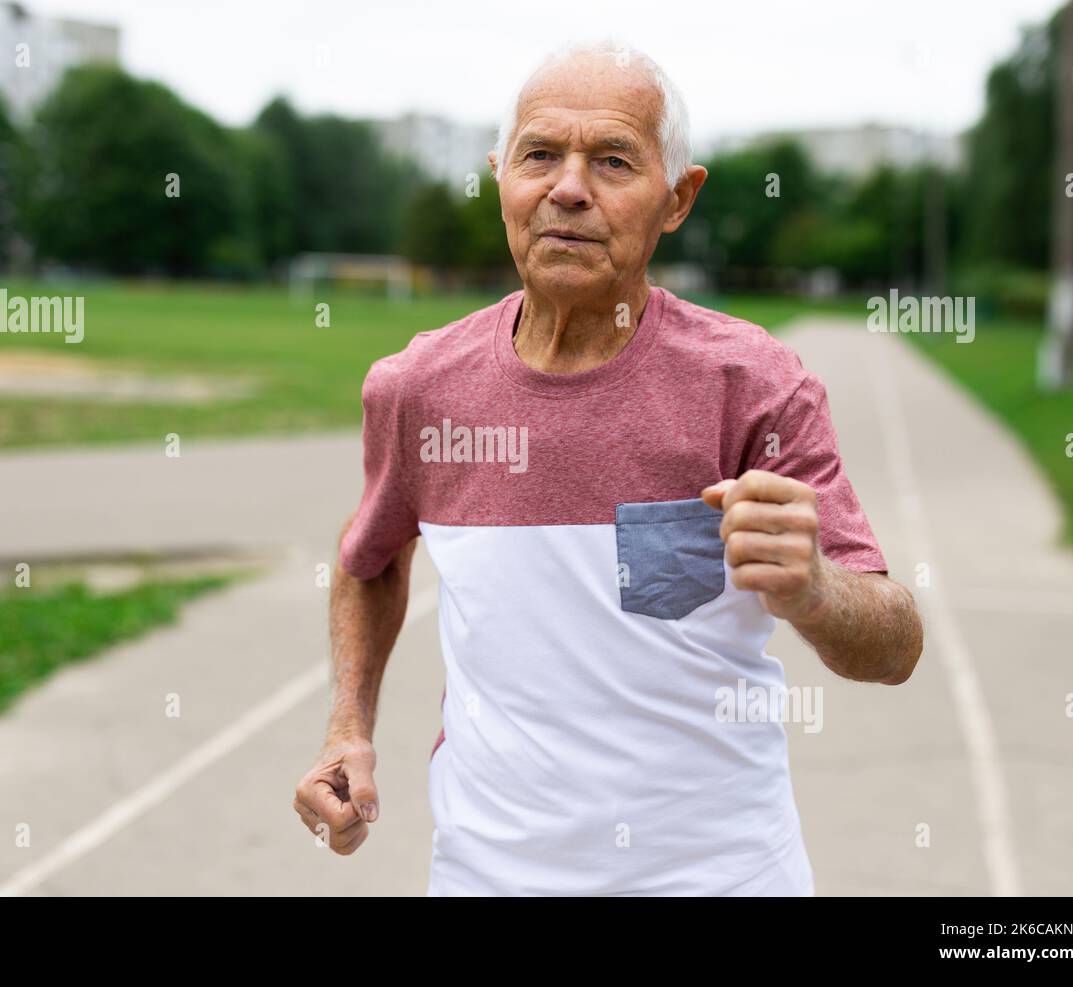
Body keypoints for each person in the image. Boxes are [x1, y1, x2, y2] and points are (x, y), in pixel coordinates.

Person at [293, 41, 923, 895]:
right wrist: (348, 728)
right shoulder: (417, 388)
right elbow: (368, 562)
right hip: (487, 875)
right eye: (540, 155)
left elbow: (893, 646)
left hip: (721, 877)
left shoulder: (753, 385)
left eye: (613, 160)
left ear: (677, 199)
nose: (569, 188)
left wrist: (815, 587)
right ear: (500, 178)